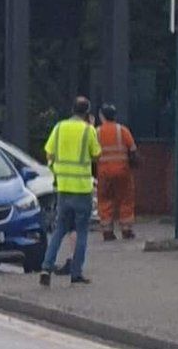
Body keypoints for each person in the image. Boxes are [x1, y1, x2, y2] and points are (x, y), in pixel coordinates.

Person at [39, 96, 101, 286]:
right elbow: (97, 154)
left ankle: (46, 267)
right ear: (87, 112)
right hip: (82, 189)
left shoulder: (59, 127)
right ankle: (76, 273)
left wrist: (55, 168)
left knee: (59, 230)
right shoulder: (88, 130)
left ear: (72, 109)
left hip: (63, 188)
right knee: (81, 232)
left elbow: (49, 153)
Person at [95, 103, 138, 241]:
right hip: (122, 171)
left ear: (101, 116)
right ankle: (126, 230)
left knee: (105, 200)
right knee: (126, 199)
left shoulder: (97, 132)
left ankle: (107, 232)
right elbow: (132, 150)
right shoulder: (122, 130)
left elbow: (91, 152)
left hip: (104, 172)